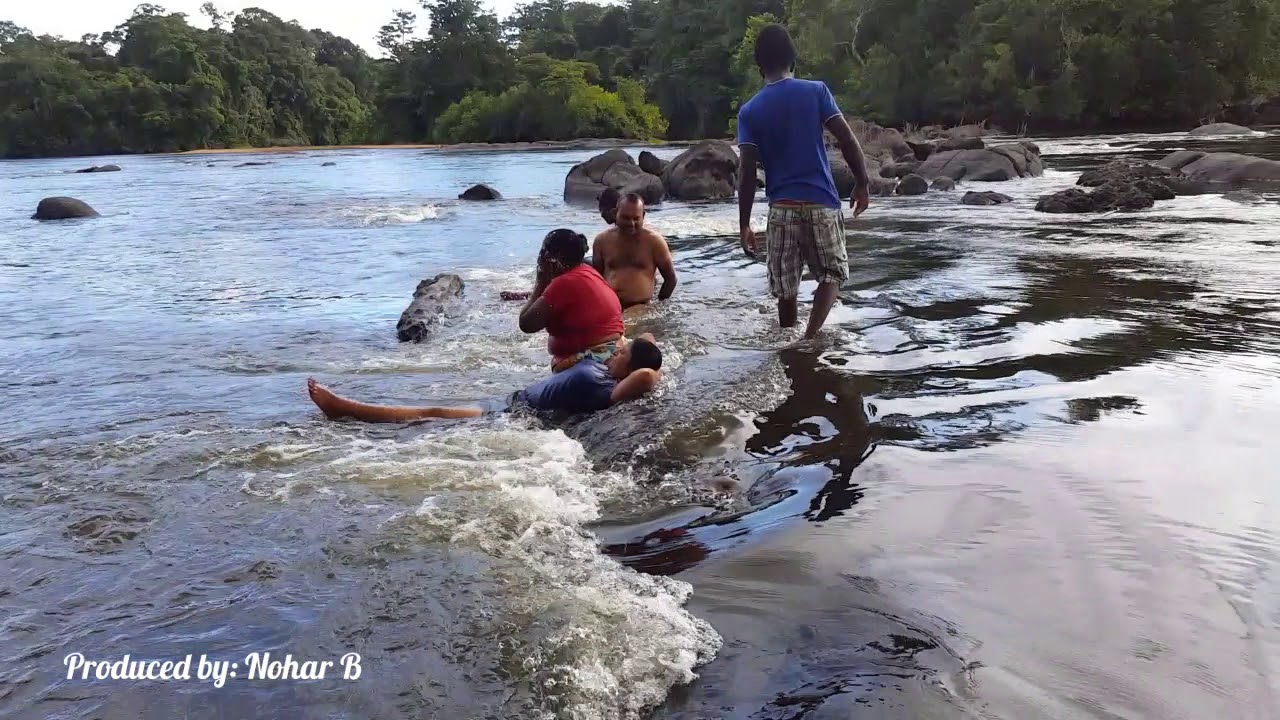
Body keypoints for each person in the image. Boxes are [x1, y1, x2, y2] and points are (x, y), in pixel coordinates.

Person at [735, 23, 871, 340]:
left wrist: (744, 224)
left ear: (759, 67)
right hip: (821, 202)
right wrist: (862, 183)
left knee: (786, 288)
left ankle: (789, 343)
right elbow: (847, 140)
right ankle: (810, 337)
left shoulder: (749, 111)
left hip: (781, 208)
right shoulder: (816, 91)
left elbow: (746, 171)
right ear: (793, 61)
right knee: (832, 274)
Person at [305, 336, 663, 422]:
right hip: (513, 402)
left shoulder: (610, 388)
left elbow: (647, 375)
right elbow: (647, 342)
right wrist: (632, 352)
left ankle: (346, 409)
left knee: (434, 412)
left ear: (630, 370)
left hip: (513, 417)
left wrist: (641, 365)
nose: (617, 351)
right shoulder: (607, 371)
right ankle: (347, 409)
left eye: (623, 354)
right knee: (437, 410)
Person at [517, 228, 627, 372]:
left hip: (594, 359)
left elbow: (526, 324)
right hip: (615, 347)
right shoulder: (588, 271)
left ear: (550, 257)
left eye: (542, 252)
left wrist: (541, 282)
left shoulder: (564, 283)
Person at [591, 193, 677, 308]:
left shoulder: (655, 242)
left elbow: (670, 279)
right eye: (626, 218)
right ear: (615, 213)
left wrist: (659, 305)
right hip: (610, 306)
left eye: (636, 218)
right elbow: (596, 278)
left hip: (641, 307)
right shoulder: (601, 241)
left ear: (643, 216)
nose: (631, 223)